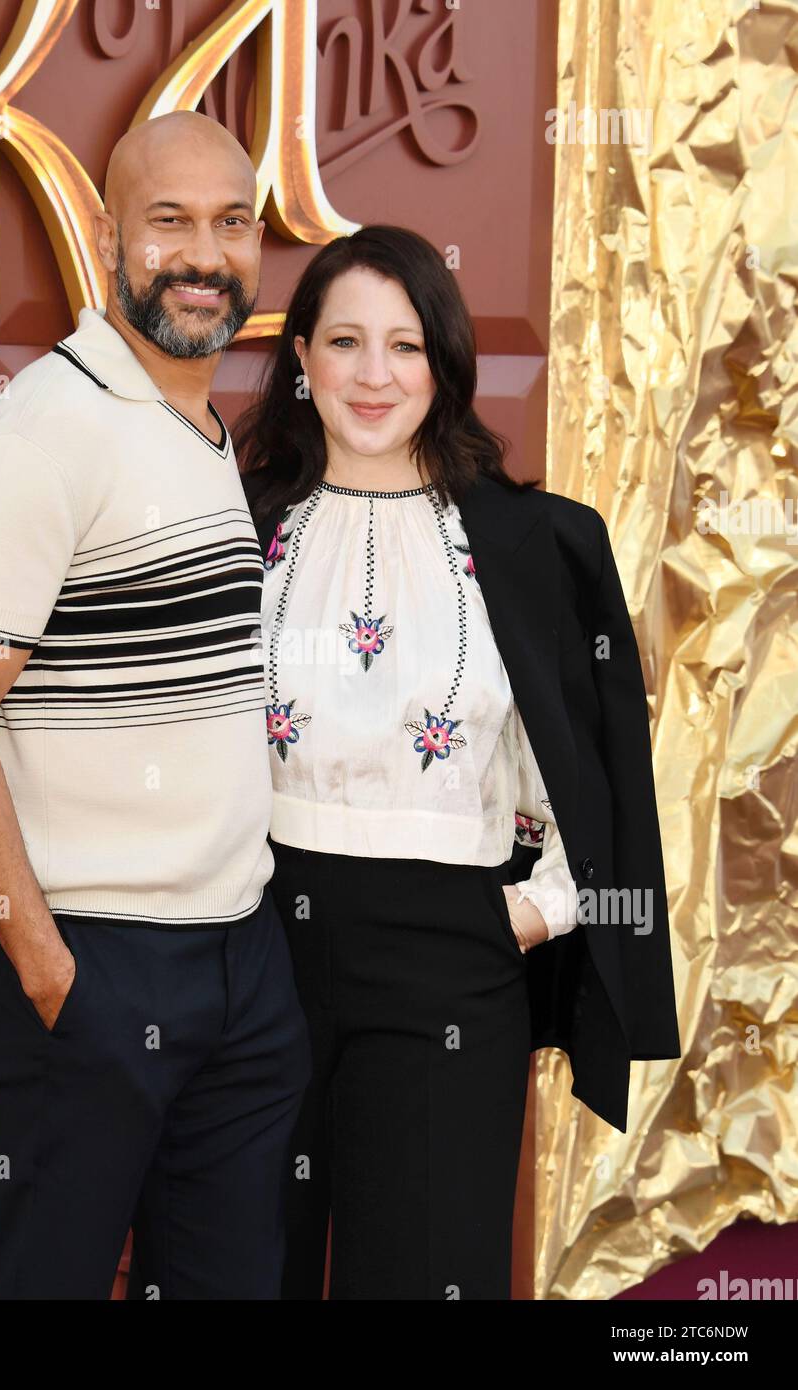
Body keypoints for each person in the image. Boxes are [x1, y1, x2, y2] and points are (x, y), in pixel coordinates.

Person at [0, 111, 310, 1300]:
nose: (202, 253)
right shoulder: (45, 433)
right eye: (167, 221)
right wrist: (42, 961)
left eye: (231, 223)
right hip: (95, 968)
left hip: (240, 967)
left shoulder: (198, 425)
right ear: (104, 233)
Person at [233, 224, 681, 1300]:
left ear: (444, 361)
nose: (374, 375)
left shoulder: (537, 542)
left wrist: (528, 915)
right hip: (248, 960)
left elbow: (602, 780)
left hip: (449, 962)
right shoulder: (235, 525)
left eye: (405, 344)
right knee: (236, 1276)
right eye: (344, 341)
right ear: (300, 358)